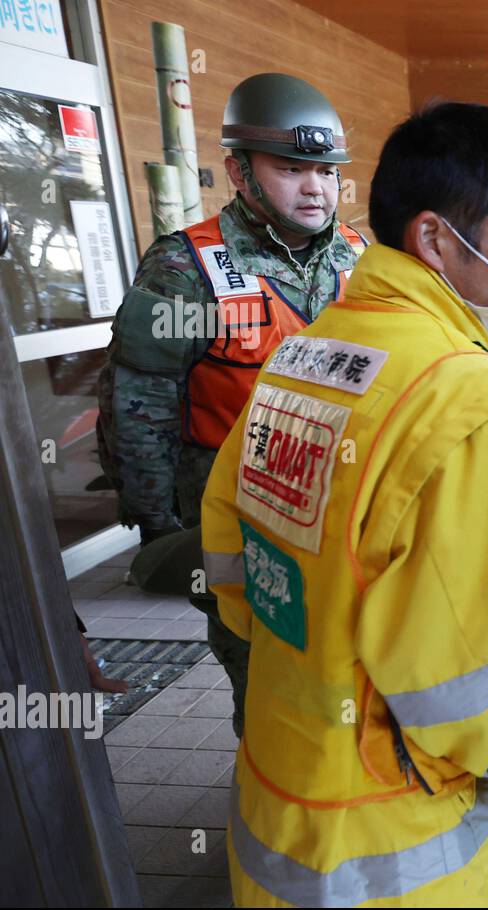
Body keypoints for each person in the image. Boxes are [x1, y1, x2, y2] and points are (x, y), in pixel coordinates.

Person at [199, 101, 488, 907]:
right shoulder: (470, 400)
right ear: (436, 237)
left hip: (280, 787)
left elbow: (232, 566)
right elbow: (468, 657)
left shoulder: (305, 353)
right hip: (396, 838)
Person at [96, 73, 367, 737]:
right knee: (262, 676)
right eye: (291, 169)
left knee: (351, 666)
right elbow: (138, 406)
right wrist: (162, 533)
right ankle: (273, 813)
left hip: (346, 511)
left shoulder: (361, 258)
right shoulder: (185, 268)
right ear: (239, 173)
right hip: (234, 518)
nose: (316, 188)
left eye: (327, 172)